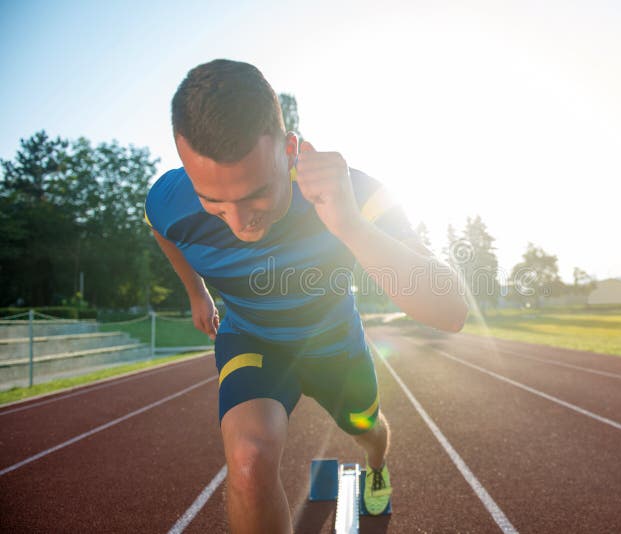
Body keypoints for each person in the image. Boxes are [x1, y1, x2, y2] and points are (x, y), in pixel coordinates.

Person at [145, 58, 468, 533]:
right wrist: (197, 292)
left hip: (335, 343)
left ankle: (377, 465)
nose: (239, 224)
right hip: (253, 339)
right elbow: (162, 230)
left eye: (256, 194)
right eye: (213, 202)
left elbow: (452, 311)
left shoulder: (355, 191)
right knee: (248, 460)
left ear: (291, 150)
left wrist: (350, 224)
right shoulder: (168, 200)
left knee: (368, 432)